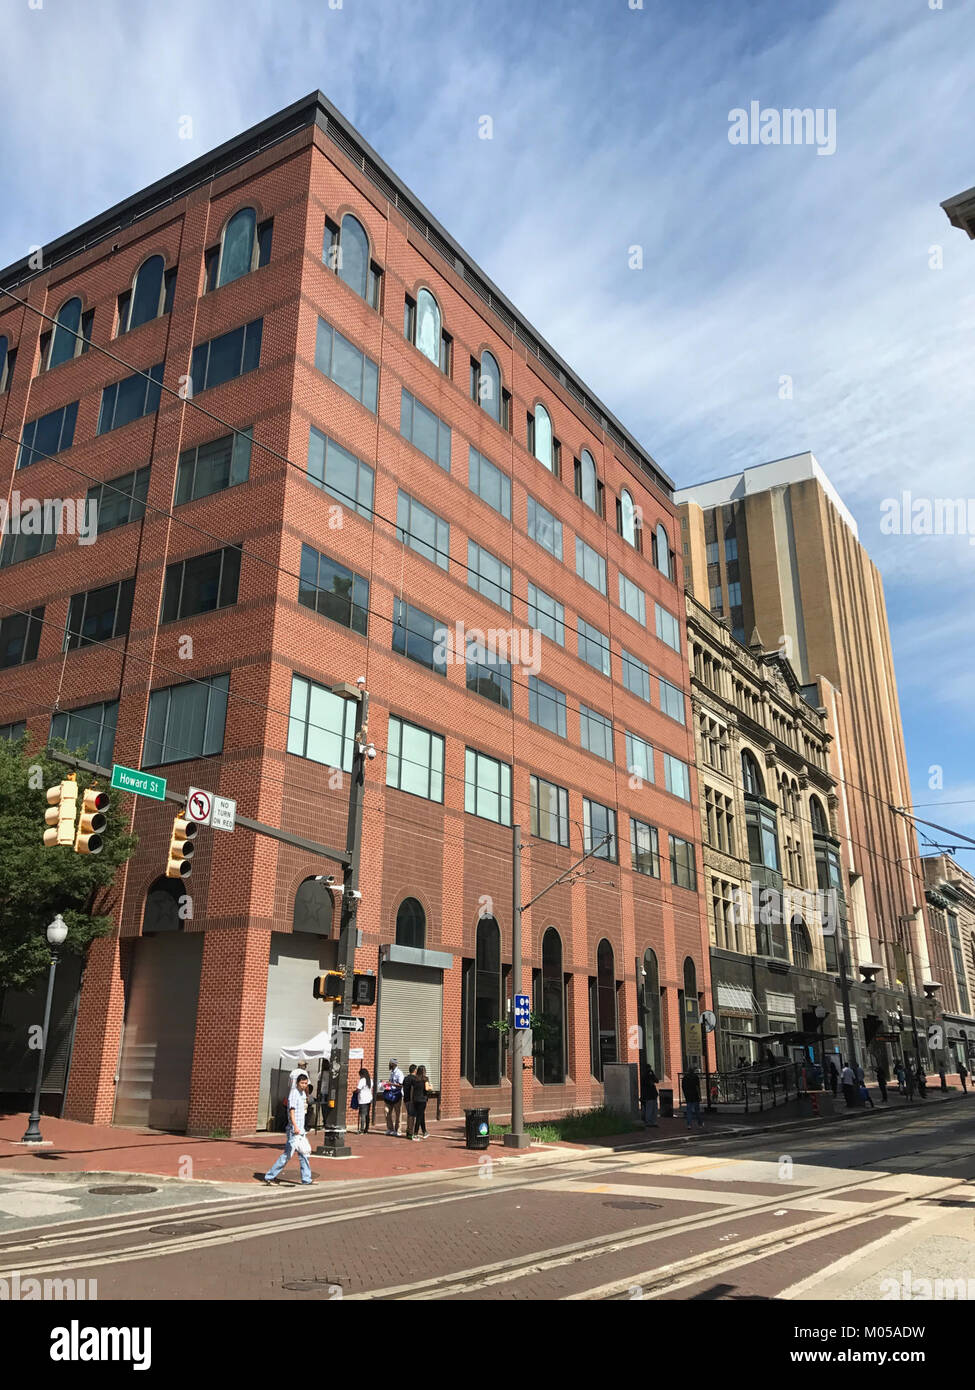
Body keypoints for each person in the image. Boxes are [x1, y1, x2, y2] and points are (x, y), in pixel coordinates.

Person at [263, 1071, 313, 1186]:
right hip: (294, 1130)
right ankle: (270, 1176)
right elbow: (292, 1111)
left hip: (301, 1131)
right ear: (297, 1083)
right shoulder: (294, 1093)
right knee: (287, 1154)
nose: (304, 1085)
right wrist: (295, 1126)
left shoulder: (302, 1094)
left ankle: (306, 1178)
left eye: (306, 1083)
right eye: (302, 1083)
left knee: (304, 1153)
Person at [383, 1059, 404, 1135]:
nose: (389, 1065)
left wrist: (391, 1084)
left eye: (390, 1064)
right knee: (387, 1111)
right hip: (390, 1094)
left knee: (398, 1113)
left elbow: (401, 1085)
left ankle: (398, 1130)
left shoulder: (399, 1073)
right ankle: (390, 1128)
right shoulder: (392, 1072)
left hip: (397, 1095)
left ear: (393, 1064)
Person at [411, 1065, 431, 1138]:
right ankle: (415, 1133)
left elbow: (412, 1090)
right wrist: (430, 1087)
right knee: (419, 1117)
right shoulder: (425, 1079)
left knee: (421, 1115)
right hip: (422, 1100)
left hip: (415, 1100)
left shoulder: (414, 1079)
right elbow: (427, 1088)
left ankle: (424, 1131)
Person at [641, 1061, 659, 1127]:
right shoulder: (644, 1076)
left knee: (654, 1108)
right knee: (650, 1108)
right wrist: (651, 1075)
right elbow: (649, 1083)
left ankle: (653, 1121)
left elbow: (656, 1080)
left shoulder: (650, 1075)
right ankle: (648, 1122)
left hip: (653, 1094)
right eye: (648, 1069)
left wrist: (652, 1074)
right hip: (649, 1094)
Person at [356, 1068, 373, 1134]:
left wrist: (355, 1091)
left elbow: (358, 1089)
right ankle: (366, 1128)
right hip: (369, 1098)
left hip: (362, 1099)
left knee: (362, 1114)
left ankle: (362, 1129)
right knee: (367, 1114)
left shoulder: (362, 1080)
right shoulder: (370, 1080)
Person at [403, 1063, 418, 1139]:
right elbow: (413, 1089)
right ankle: (410, 1132)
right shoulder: (414, 1079)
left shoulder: (406, 1078)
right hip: (412, 1100)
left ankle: (408, 1130)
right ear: (415, 1070)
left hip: (406, 1099)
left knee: (409, 1115)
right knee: (412, 1116)